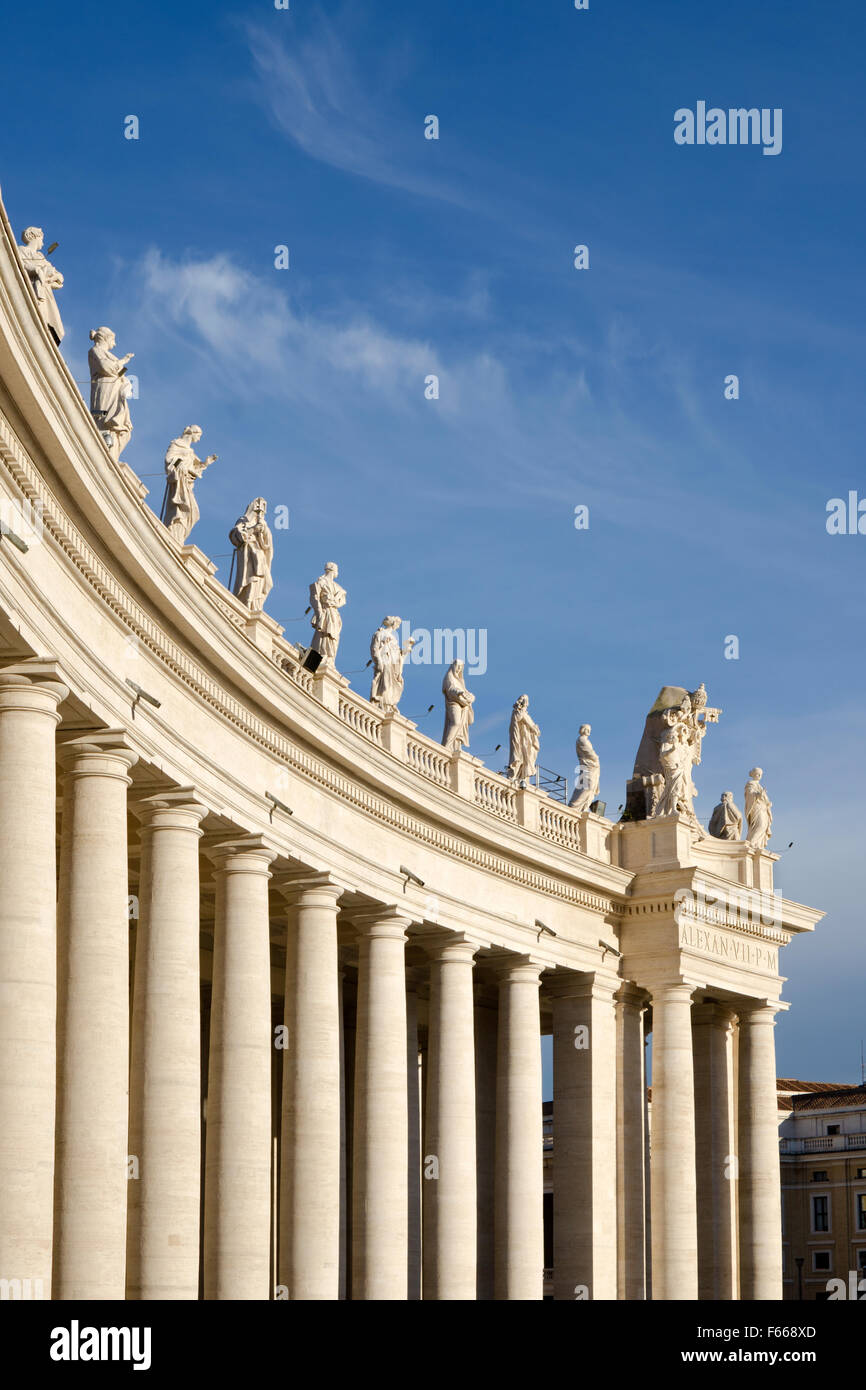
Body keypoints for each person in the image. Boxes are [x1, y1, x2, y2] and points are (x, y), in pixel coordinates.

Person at [162, 426, 217, 544]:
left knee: (194, 513)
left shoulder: (190, 452)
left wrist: (205, 464)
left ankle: (179, 536)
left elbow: (192, 470)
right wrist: (179, 464)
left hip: (186, 483)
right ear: (193, 433)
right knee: (181, 510)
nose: (199, 439)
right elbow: (169, 459)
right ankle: (175, 534)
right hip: (179, 482)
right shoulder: (177, 444)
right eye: (199, 435)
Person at [88, 327, 134, 459]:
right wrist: (123, 361)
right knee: (105, 420)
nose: (114, 344)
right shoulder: (95, 351)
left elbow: (117, 372)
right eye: (113, 340)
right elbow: (105, 367)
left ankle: (111, 452)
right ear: (106, 338)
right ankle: (105, 448)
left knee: (124, 428)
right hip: (105, 390)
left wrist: (125, 381)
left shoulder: (106, 354)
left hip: (115, 391)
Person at [18, 227, 64, 343]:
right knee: (37, 313)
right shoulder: (21, 250)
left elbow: (59, 277)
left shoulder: (41, 257)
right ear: (34, 237)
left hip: (44, 289)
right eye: (41, 239)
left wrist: (52, 276)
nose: (43, 244)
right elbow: (22, 265)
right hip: (33, 286)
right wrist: (38, 270)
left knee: (48, 318)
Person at [229, 497, 273, 612]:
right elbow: (235, 535)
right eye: (258, 509)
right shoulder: (243, 521)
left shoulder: (264, 524)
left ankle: (255, 603)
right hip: (248, 555)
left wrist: (263, 531)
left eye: (263, 511)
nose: (261, 512)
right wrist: (253, 530)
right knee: (252, 578)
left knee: (267, 583)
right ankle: (249, 603)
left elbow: (267, 545)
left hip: (260, 556)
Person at [369, 617, 415, 712]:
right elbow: (374, 649)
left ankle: (389, 704)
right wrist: (379, 662)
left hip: (393, 665)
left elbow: (399, 656)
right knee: (385, 684)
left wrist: (407, 647)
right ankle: (383, 705)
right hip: (385, 662)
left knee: (397, 684)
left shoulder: (393, 638)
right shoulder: (380, 634)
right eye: (397, 624)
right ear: (393, 623)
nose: (398, 626)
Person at [309, 562, 347, 669]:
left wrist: (336, 602)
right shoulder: (321, 582)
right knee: (324, 634)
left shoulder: (337, 587)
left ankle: (330, 659)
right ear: (333, 570)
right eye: (336, 570)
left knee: (333, 637)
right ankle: (323, 656)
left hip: (334, 614)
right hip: (325, 611)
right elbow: (314, 598)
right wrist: (319, 612)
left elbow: (342, 600)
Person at [441, 659, 475, 752]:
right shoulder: (449, 676)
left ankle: (456, 746)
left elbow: (465, 691)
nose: (459, 668)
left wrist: (470, 696)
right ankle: (447, 746)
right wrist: (458, 692)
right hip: (453, 703)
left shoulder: (460, 681)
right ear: (454, 666)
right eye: (458, 666)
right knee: (456, 723)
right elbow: (449, 688)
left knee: (460, 726)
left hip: (462, 705)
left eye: (461, 667)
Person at [507, 694, 540, 783]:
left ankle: (522, 778)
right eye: (524, 700)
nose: (525, 702)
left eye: (526, 700)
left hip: (527, 741)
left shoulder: (526, 715)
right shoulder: (516, 712)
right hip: (520, 741)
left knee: (527, 757)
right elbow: (519, 718)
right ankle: (515, 776)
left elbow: (533, 727)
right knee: (519, 757)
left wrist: (535, 729)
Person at [569, 723, 600, 813]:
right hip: (588, 765)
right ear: (582, 730)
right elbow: (589, 752)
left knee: (590, 786)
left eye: (589, 729)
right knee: (587, 785)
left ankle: (584, 807)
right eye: (586, 729)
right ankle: (574, 806)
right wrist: (596, 757)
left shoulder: (586, 740)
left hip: (592, 765)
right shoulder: (581, 740)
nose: (588, 731)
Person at [744, 767, 773, 848]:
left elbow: (764, 797)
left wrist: (768, 803)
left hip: (763, 808)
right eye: (757, 773)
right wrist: (758, 795)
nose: (759, 775)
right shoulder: (751, 783)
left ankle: (757, 844)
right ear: (753, 774)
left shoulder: (759, 786)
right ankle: (751, 843)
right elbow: (749, 794)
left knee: (763, 825)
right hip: (756, 807)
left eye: (761, 774)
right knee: (760, 825)